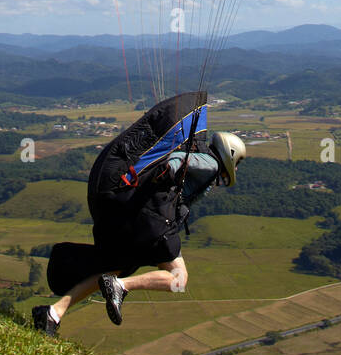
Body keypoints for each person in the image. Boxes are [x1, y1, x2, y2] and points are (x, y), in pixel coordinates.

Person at [32, 117, 245, 337]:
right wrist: (169, 170)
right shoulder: (211, 164)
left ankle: (53, 313)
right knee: (178, 279)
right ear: (229, 155)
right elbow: (179, 161)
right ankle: (121, 286)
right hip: (155, 221)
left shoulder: (200, 153)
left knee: (114, 269)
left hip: (139, 213)